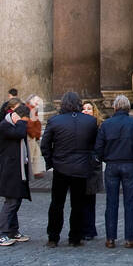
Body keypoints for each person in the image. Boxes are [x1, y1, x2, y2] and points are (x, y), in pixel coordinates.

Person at [40, 91, 97, 247]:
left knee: (57, 204)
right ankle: (75, 237)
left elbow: (45, 145)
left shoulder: (55, 121)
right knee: (78, 205)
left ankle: (53, 237)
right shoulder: (90, 121)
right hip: (81, 167)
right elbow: (95, 144)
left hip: (61, 167)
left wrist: (50, 160)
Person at [94, 94, 133, 248]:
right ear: (128, 108)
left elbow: (98, 147)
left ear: (115, 107)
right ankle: (129, 238)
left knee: (111, 203)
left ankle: (110, 238)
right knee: (130, 203)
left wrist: (102, 158)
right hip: (129, 164)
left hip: (112, 165)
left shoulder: (106, 124)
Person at [0, 104, 32, 246]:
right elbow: (20, 133)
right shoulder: (5, 126)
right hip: (9, 172)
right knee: (11, 202)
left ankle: (12, 231)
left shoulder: (13, 125)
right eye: (24, 121)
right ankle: (0, 233)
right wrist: (20, 121)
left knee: (16, 201)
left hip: (17, 171)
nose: (25, 124)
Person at [80, 102, 104, 241]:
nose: (86, 111)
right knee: (80, 198)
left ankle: (90, 229)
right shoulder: (78, 125)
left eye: (89, 109)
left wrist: (96, 158)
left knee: (90, 199)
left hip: (92, 164)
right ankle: (83, 227)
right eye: (84, 109)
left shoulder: (98, 126)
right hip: (80, 164)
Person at [26, 95, 46, 178]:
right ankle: (31, 172)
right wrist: (34, 134)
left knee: (36, 153)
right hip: (31, 135)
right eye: (35, 100)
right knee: (31, 153)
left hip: (33, 135)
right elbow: (30, 124)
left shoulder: (33, 109)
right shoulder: (30, 109)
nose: (38, 102)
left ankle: (36, 171)